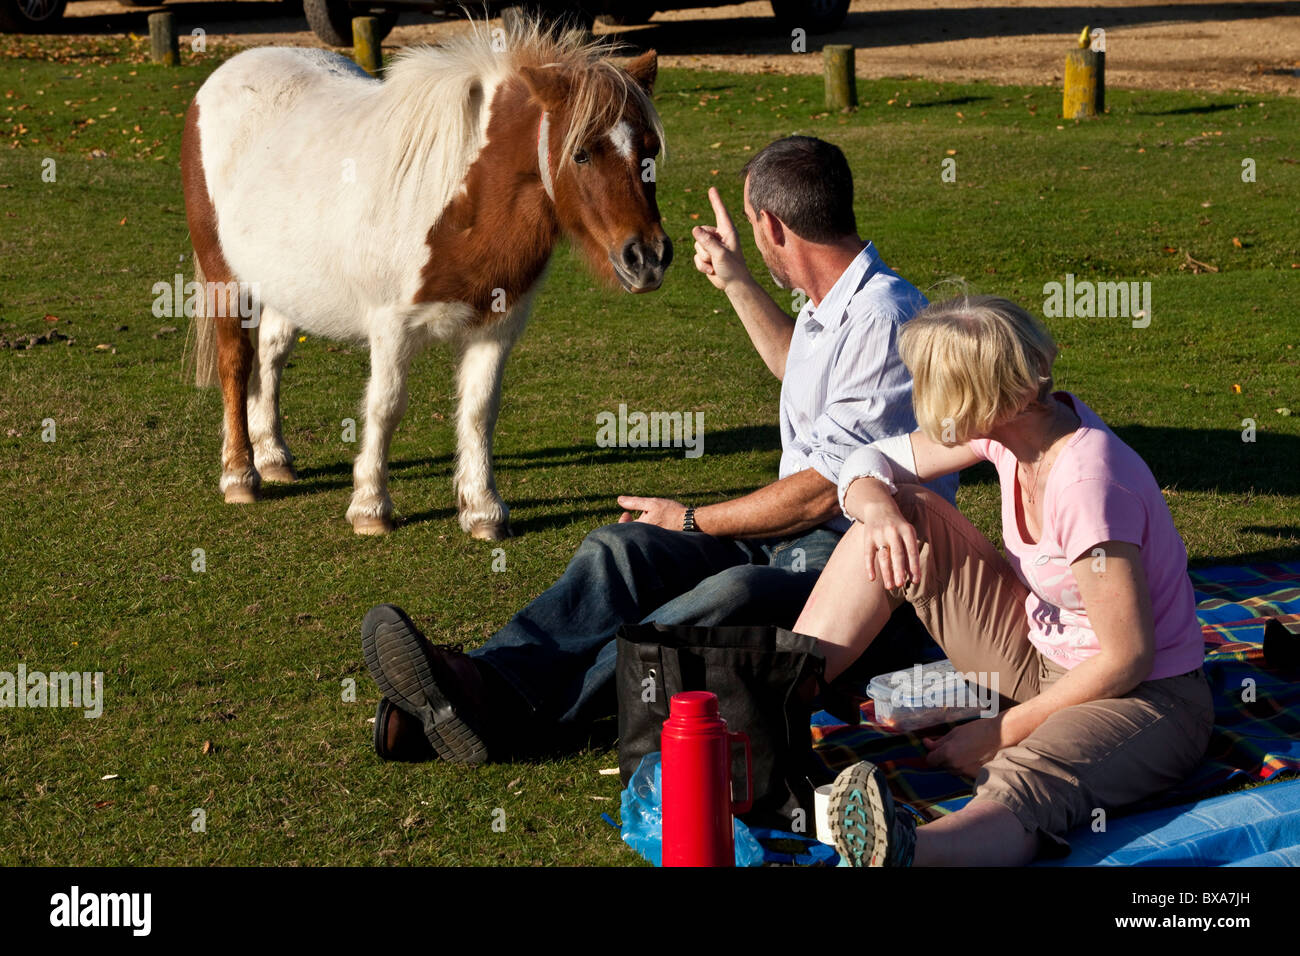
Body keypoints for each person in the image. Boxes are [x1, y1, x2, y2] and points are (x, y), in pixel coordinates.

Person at [361, 135, 958, 764]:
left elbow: (817, 493)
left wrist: (694, 519)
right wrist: (735, 280)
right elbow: (799, 367)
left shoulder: (883, 318)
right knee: (622, 550)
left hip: (851, 559)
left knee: (731, 595)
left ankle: (515, 715)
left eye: (755, 224)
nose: (754, 236)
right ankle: (481, 679)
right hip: (789, 531)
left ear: (775, 226)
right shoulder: (831, 304)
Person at [792, 294, 1212, 866]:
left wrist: (1004, 731)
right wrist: (879, 512)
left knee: (1027, 772)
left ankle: (907, 852)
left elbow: (1127, 658)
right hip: (1038, 660)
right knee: (902, 513)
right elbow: (869, 462)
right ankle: (780, 696)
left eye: (930, 384)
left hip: (1145, 697)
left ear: (977, 398)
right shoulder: (1010, 428)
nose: (921, 399)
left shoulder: (1089, 483)